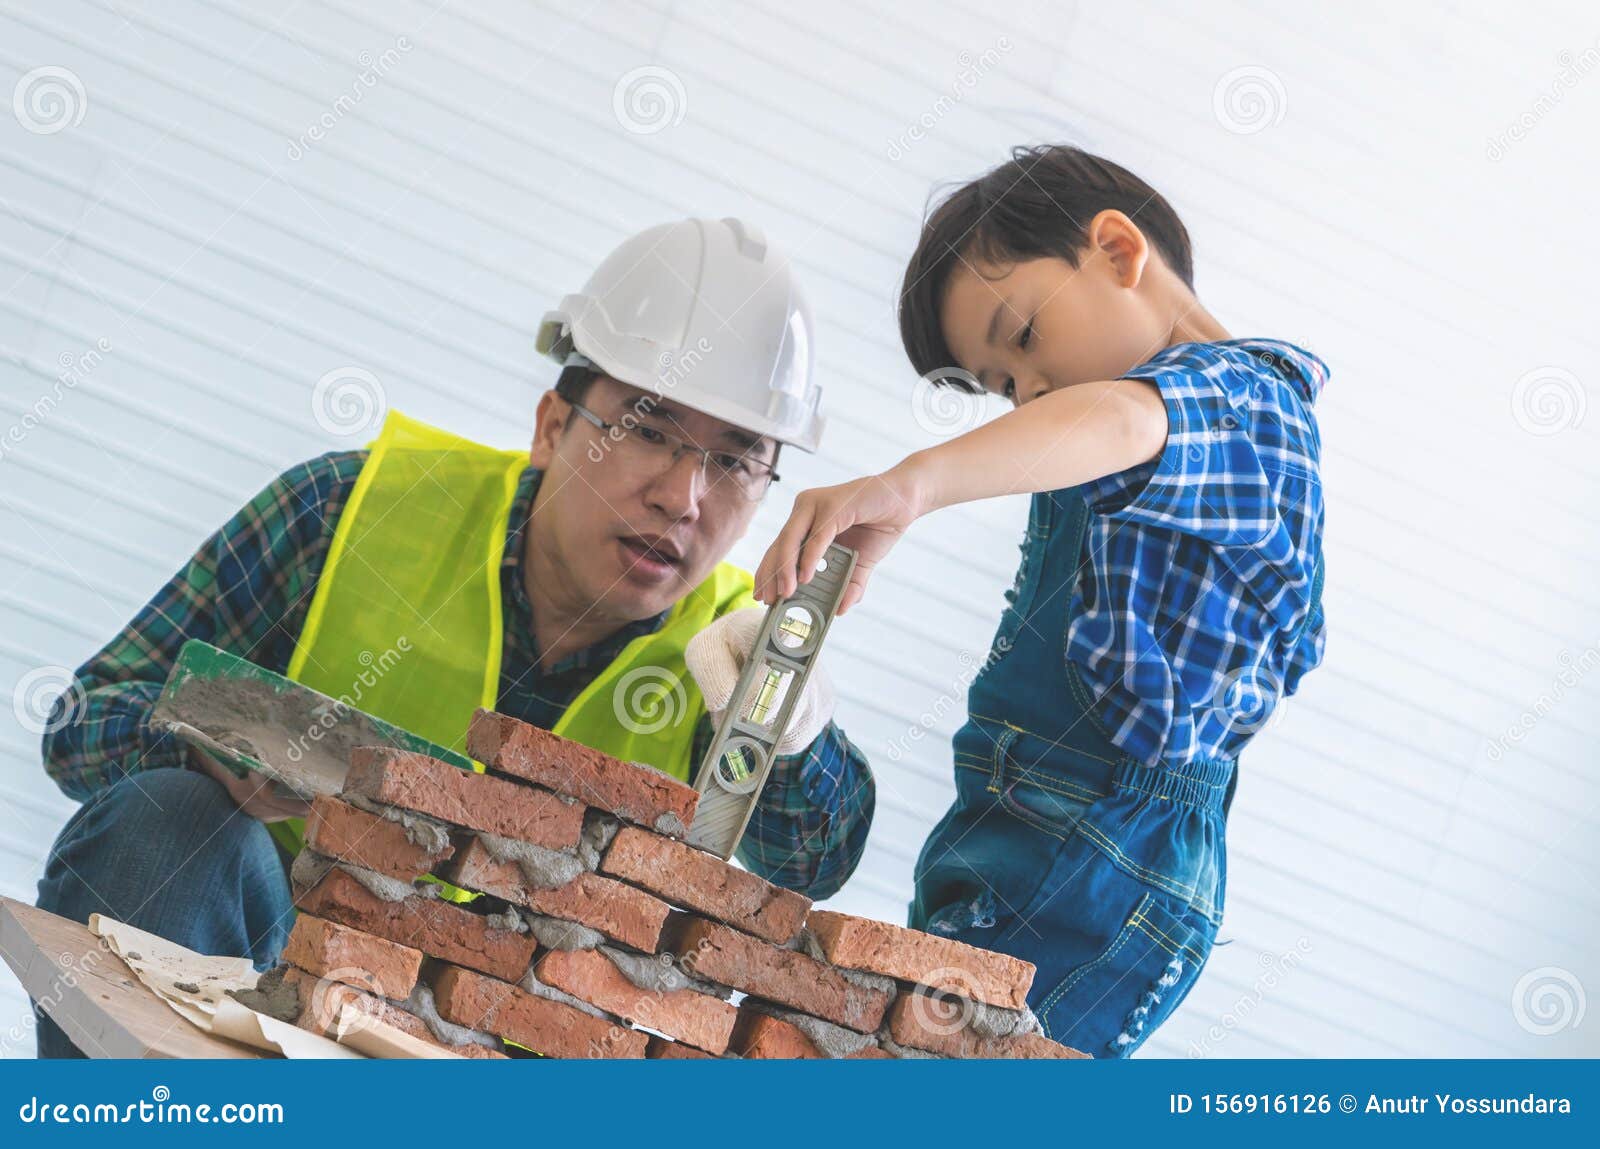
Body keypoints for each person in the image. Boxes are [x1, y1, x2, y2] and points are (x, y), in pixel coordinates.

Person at [33, 218, 874, 1058]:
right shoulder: (348, 509)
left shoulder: (731, 662)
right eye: (649, 430)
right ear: (553, 425)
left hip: (495, 1053)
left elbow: (814, 861)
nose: (683, 497)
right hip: (261, 979)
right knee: (167, 819)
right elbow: (83, 721)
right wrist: (206, 752)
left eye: (735, 461)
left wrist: (787, 729)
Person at [756, 146, 1327, 1057]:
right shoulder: (1107, 440)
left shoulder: (1248, 402)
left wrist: (915, 484)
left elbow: (1127, 421)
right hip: (1017, 828)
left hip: (1105, 849)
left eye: (1021, 338)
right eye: (1004, 389)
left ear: (1117, 251)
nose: (1029, 395)